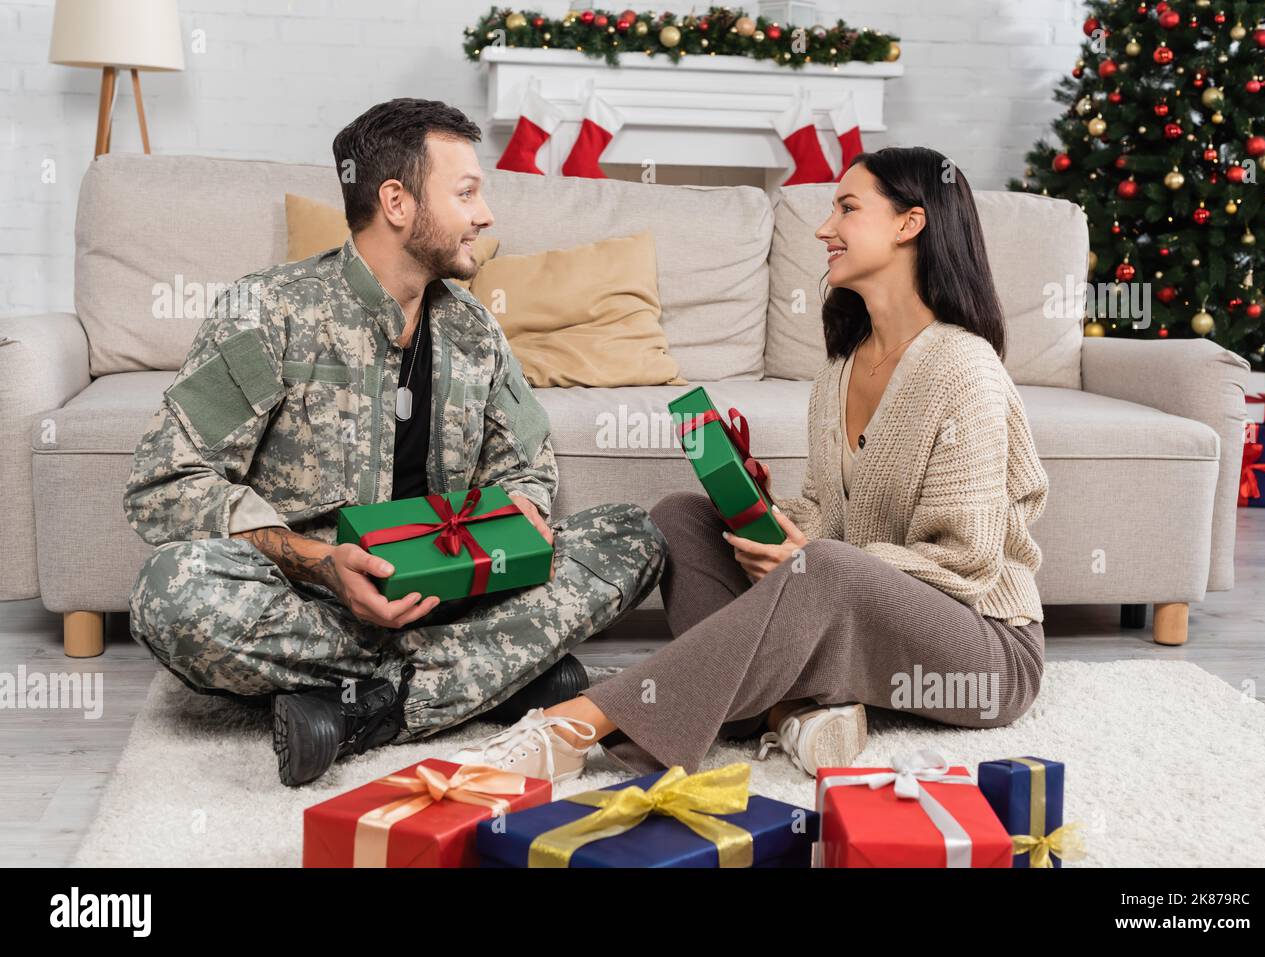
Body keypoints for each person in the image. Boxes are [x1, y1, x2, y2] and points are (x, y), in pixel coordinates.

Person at [453, 146, 1051, 783]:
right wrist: (773, 529)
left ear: (910, 223)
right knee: (682, 518)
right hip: (864, 623)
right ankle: (788, 711)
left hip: (983, 653)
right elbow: (828, 515)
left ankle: (578, 722)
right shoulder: (842, 365)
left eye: (847, 208)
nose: (825, 229)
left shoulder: (964, 369)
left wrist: (807, 561)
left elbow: (967, 562)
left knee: (822, 566)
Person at [123, 98, 666, 787]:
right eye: (466, 192)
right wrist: (322, 564)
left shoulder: (474, 330)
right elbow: (164, 483)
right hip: (313, 600)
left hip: (459, 589)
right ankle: (498, 673)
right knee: (170, 593)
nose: (486, 213)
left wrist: (520, 508)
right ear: (397, 202)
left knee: (633, 535)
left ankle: (361, 710)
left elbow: (525, 462)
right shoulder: (267, 312)